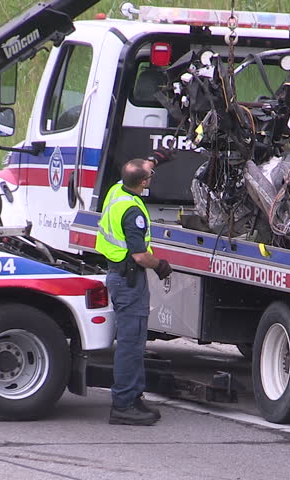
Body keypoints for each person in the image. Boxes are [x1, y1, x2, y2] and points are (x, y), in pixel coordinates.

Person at [96, 157, 173, 426]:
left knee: (133, 341)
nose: (151, 177)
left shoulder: (117, 191)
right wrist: (160, 265)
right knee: (131, 344)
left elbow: (134, 170)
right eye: (149, 175)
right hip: (130, 281)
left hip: (117, 276)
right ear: (143, 182)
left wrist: (156, 159)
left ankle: (133, 396)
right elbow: (140, 256)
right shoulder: (132, 212)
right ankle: (124, 405)